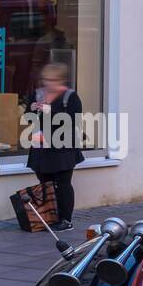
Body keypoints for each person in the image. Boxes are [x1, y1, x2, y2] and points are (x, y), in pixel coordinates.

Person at [27, 62, 83, 232]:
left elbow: (74, 120)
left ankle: (66, 219)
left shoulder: (70, 97)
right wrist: (32, 109)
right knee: (45, 182)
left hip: (63, 146)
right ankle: (49, 216)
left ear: (61, 80)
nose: (48, 83)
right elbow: (28, 119)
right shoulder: (37, 94)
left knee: (63, 183)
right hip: (41, 146)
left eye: (52, 80)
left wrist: (50, 111)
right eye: (45, 79)